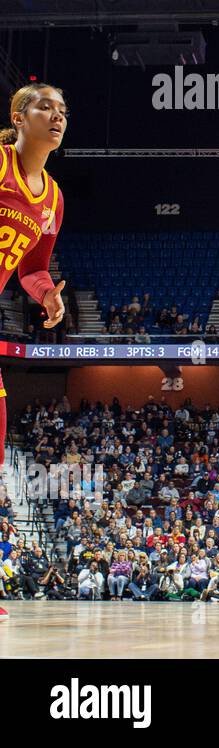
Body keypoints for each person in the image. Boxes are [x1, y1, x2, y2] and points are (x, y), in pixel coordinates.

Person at [0, 83, 68, 623]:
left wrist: (46, 295)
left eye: (62, 110)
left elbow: (31, 267)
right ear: (18, 117)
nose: (57, 115)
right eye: (45, 106)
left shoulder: (52, 197)